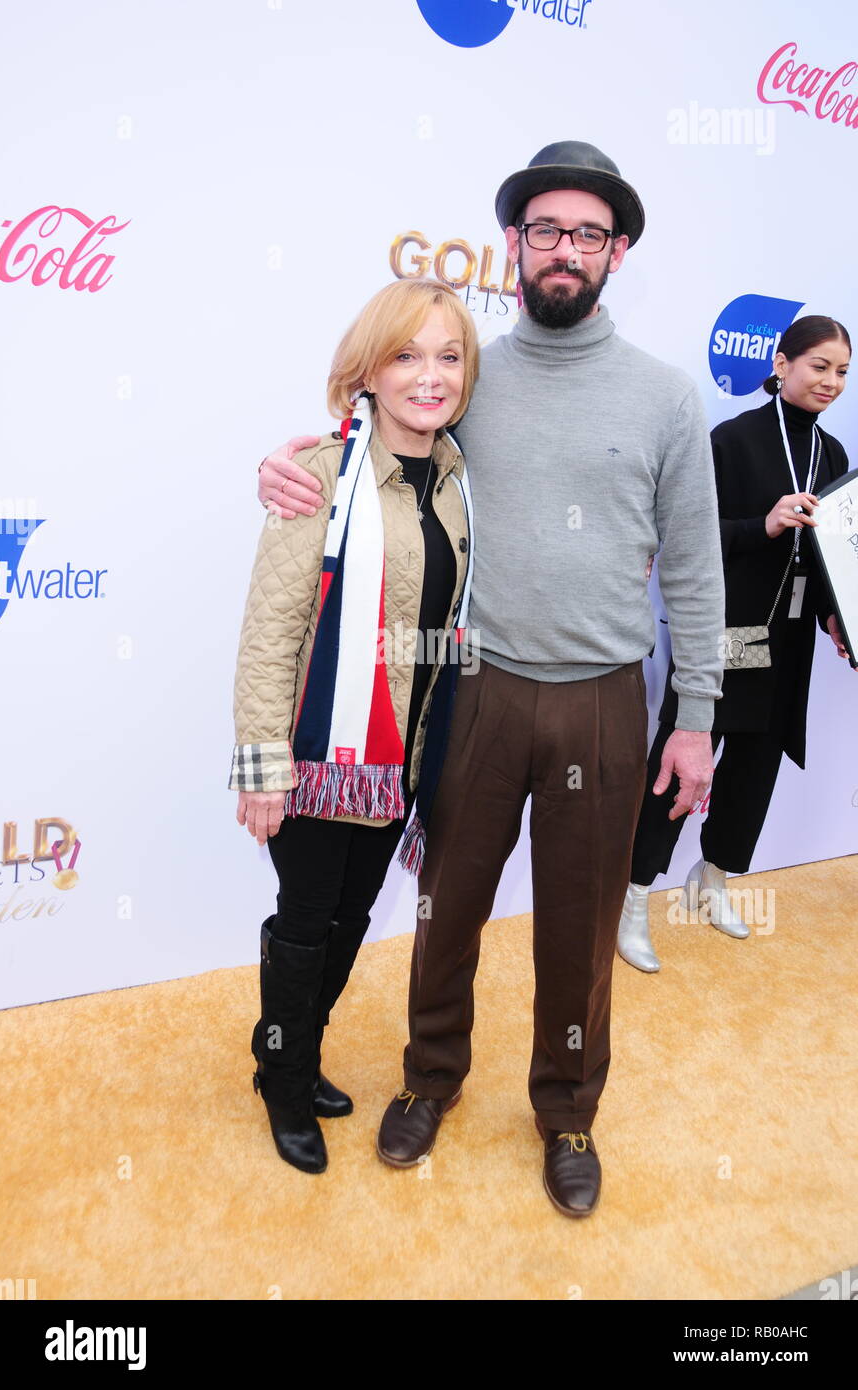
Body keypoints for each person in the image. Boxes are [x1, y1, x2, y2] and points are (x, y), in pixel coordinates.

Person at [257, 141, 725, 1216]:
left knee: (576, 921)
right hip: (471, 690)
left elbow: (694, 568)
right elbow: (366, 446)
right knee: (445, 905)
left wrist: (694, 715)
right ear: (514, 245)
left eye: (588, 234)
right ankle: (429, 1079)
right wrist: (282, 467)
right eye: (546, 230)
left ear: (618, 253)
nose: (565, 250)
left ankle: (565, 1111)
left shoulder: (664, 397)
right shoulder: (464, 374)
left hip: (606, 701)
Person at [231, 278, 477, 1174]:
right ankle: (283, 1078)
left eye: (448, 356)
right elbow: (272, 628)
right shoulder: (321, 477)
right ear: (365, 371)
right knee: (305, 922)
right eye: (406, 354)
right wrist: (262, 768)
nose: (429, 375)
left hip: (405, 757)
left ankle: (295, 1049)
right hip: (320, 756)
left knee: (349, 919)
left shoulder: (457, 481)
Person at [618, 316, 852, 972]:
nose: (830, 382)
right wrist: (764, 524)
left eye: (841, 371)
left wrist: (836, 618)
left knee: (755, 767)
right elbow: (686, 540)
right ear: (780, 363)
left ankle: (711, 880)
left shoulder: (832, 455)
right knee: (679, 769)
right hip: (727, 637)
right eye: (818, 366)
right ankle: (633, 899)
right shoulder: (730, 440)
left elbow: (831, 556)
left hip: (790, 642)